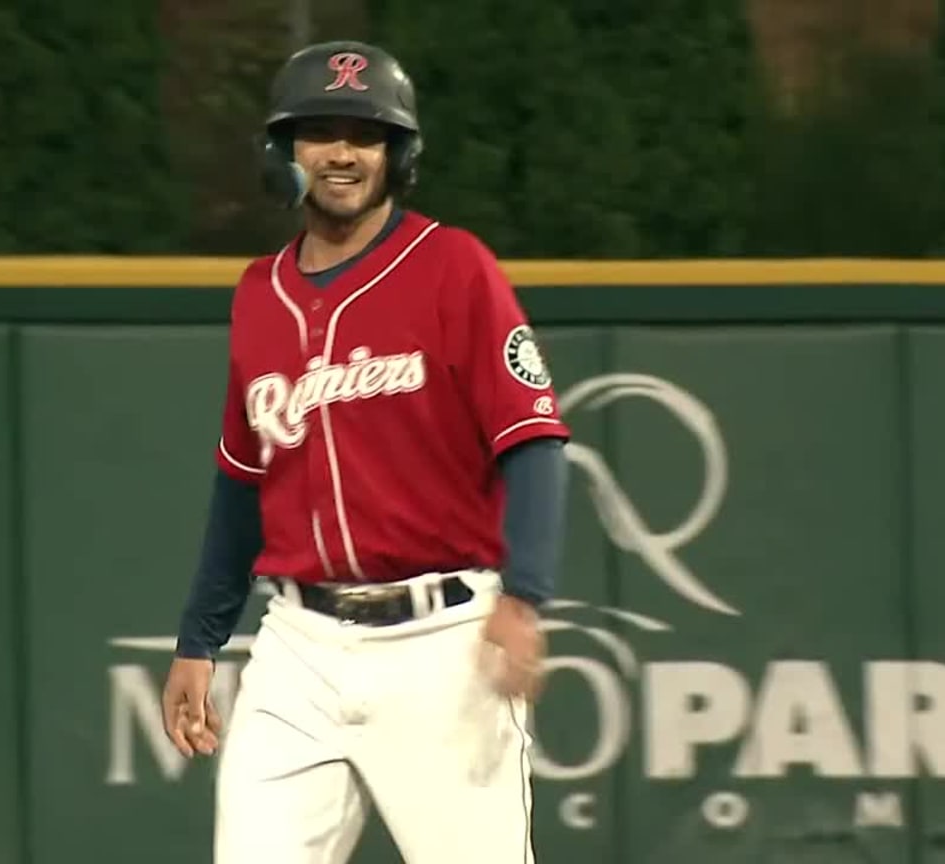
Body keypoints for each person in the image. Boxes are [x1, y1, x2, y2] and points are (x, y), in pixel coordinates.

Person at [157, 39, 570, 864]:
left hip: (441, 644)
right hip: (297, 646)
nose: (343, 153)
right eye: (320, 131)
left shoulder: (454, 268)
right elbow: (242, 485)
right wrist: (199, 641)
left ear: (397, 154)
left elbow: (534, 444)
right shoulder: (257, 295)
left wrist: (524, 599)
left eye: (366, 133)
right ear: (286, 153)